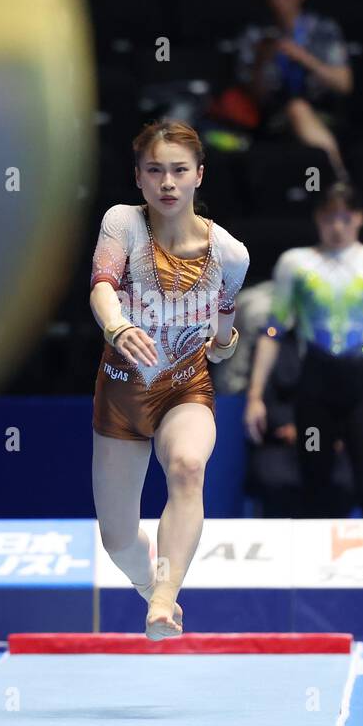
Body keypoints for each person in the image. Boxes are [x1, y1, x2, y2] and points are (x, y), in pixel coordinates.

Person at [89, 119, 249, 639]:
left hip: (185, 386)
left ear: (199, 175)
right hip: (121, 389)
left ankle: (164, 596)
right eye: (154, 170)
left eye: (179, 171)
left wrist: (225, 344)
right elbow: (103, 287)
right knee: (116, 538)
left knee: (186, 466)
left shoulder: (231, 255)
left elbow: (224, 332)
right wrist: (118, 326)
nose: (167, 183)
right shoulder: (123, 223)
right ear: (138, 177)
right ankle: (149, 586)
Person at [243, 183, 363, 519]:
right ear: (317, 219)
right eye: (329, 218)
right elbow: (273, 332)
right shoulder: (296, 263)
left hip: (361, 386)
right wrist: (254, 396)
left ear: (361, 218)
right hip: (316, 386)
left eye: (346, 218)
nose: (338, 227)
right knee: (316, 490)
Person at [235, 0, 354, 179]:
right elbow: (255, 96)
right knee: (296, 108)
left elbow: (344, 85)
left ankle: (338, 179)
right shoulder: (255, 34)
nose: (275, 0)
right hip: (271, 115)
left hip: (323, 110)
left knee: (299, 108)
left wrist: (304, 58)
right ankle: (339, 178)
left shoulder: (323, 30)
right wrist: (261, 61)